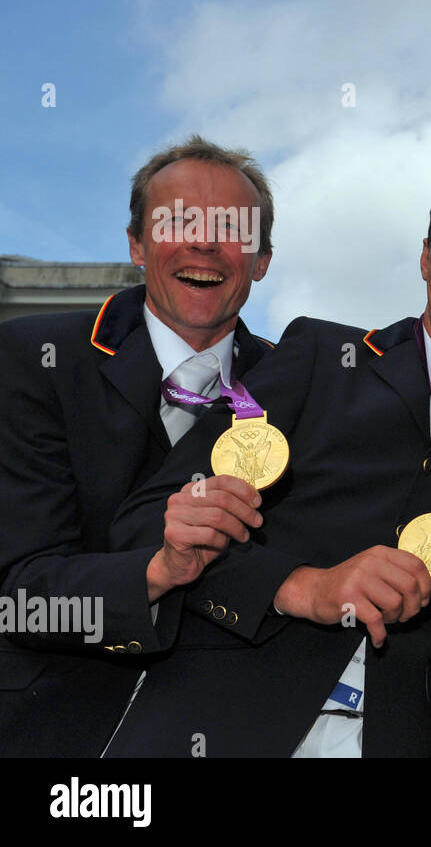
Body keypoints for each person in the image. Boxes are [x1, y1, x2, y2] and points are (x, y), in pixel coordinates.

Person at [103, 166, 431, 757]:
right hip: (217, 727)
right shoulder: (320, 356)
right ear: (424, 257)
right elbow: (144, 521)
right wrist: (302, 586)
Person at [0, 135, 276, 757]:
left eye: (231, 227)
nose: (204, 242)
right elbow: (19, 596)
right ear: (136, 244)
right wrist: (158, 572)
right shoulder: (32, 362)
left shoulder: (300, 392)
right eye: (178, 220)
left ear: (261, 259)